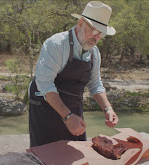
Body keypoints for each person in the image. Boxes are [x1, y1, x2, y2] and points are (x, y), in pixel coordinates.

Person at [28, 1, 119, 147]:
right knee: (46, 155)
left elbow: (95, 84)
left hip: (73, 108)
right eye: (94, 31)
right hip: (45, 107)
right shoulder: (56, 44)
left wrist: (107, 108)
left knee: (77, 154)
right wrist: (68, 116)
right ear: (81, 23)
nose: (96, 38)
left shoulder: (94, 53)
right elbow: (45, 84)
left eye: (101, 34)